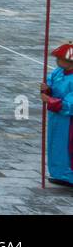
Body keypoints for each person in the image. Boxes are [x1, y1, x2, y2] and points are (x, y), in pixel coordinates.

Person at [41, 41, 73, 187]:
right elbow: (51, 85)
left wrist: (50, 100)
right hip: (56, 117)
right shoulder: (57, 71)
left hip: (68, 118)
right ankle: (60, 173)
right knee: (56, 144)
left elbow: (70, 104)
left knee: (67, 146)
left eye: (60, 59)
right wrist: (46, 89)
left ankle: (69, 174)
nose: (57, 61)